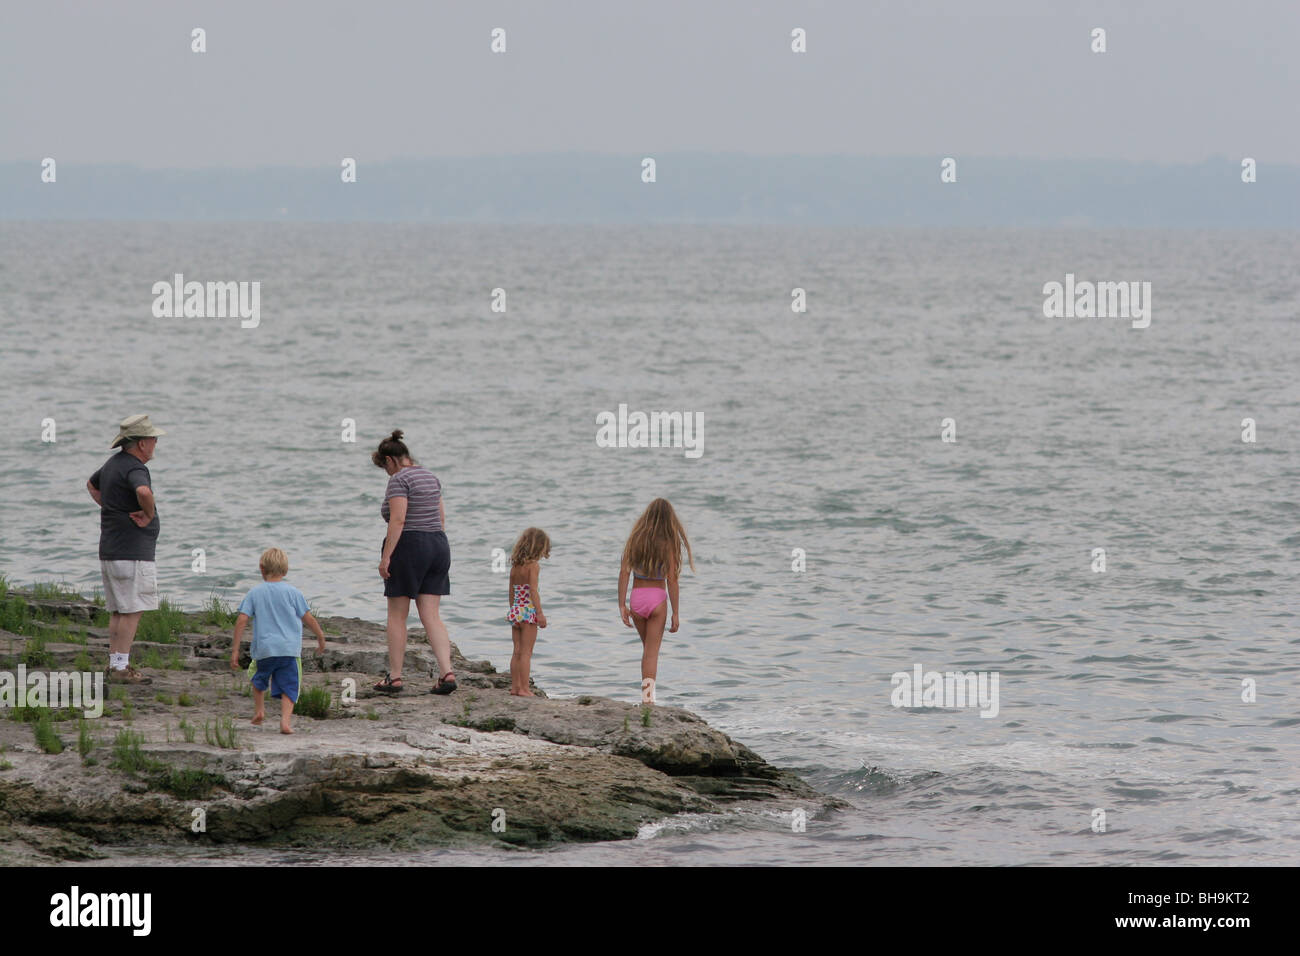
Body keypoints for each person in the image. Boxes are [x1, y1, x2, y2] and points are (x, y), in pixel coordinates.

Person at [371, 430, 457, 695]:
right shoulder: (431, 477)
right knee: (431, 614)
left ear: (390, 460)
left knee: (397, 614)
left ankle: (395, 678)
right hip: (438, 545)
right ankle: (447, 673)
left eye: (384, 468)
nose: (387, 473)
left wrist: (386, 557)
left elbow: (398, 520)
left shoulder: (399, 479)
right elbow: (441, 518)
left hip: (410, 545)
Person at [86, 414, 167, 684]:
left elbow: (91, 485)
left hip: (110, 549)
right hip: (132, 553)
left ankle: (115, 663)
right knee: (132, 610)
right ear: (141, 444)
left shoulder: (112, 464)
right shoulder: (135, 468)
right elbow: (143, 492)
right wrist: (148, 513)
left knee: (119, 610)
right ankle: (122, 667)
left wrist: (113, 509)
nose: (156, 443)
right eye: (153, 439)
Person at [229, 548, 326, 735]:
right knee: (289, 685)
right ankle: (285, 722)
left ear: (261, 568)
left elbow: (242, 619)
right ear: (285, 570)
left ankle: (259, 711)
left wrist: (235, 650)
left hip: (264, 649)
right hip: (289, 650)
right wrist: (320, 636)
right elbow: (308, 618)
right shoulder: (293, 592)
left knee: (258, 678)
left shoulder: (255, 593)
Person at [618, 498, 694, 704]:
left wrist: (621, 605)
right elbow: (672, 580)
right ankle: (648, 701)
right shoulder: (668, 544)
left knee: (647, 653)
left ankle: (647, 697)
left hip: (637, 599)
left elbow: (624, 573)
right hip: (657, 599)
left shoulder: (635, 540)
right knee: (651, 655)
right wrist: (676, 612)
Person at [505, 528, 550, 696]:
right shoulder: (533, 566)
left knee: (516, 650)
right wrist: (539, 613)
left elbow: (511, 590)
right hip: (529, 612)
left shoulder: (515, 566)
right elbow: (533, 590)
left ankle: (515, 687)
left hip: (516, 610)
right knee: (526, 653)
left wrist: (513, 610)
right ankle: (524, 688)